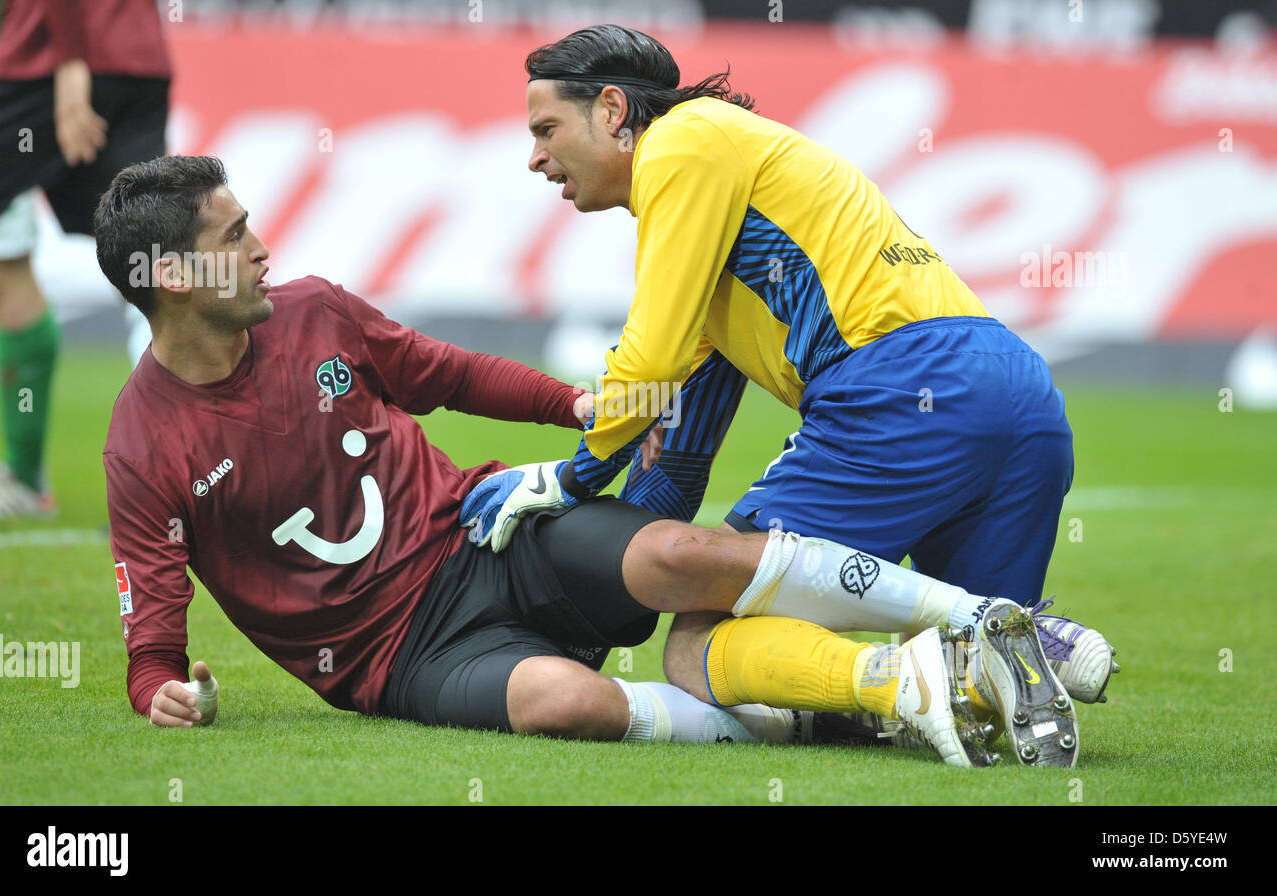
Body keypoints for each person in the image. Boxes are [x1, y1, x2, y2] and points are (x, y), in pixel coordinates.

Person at [93, 155, 1086, 768]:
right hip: (390, 654)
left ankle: (994, 628)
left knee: (684, 555)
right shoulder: (144, 444)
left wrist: (576, 405)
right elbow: (153, 613)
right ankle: (886, 691)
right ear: (173, 276)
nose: (264, 248)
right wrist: (159, 686)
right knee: (564, 704)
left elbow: (442, 372)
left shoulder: (314, 308)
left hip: (478, 533)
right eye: (236, 236)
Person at [460, 25, 1118, 736]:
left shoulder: (682, 141)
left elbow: (647, 364)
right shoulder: (720, 219)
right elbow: (676, 468)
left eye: (547, 128)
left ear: (614, 111)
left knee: (697, 643)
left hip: (900, 392)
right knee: (972, 679)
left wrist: (568, 478)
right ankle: (1034, 638)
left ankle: (899, 684)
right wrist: (602, 590)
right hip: (1019, 390)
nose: (536, 157)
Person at [0, 0, 170, 519]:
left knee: (154, 265)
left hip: (53, 59)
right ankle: (197, 474)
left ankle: (23, 479)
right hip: (138, 61)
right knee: (154, 268)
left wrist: (69, 62)